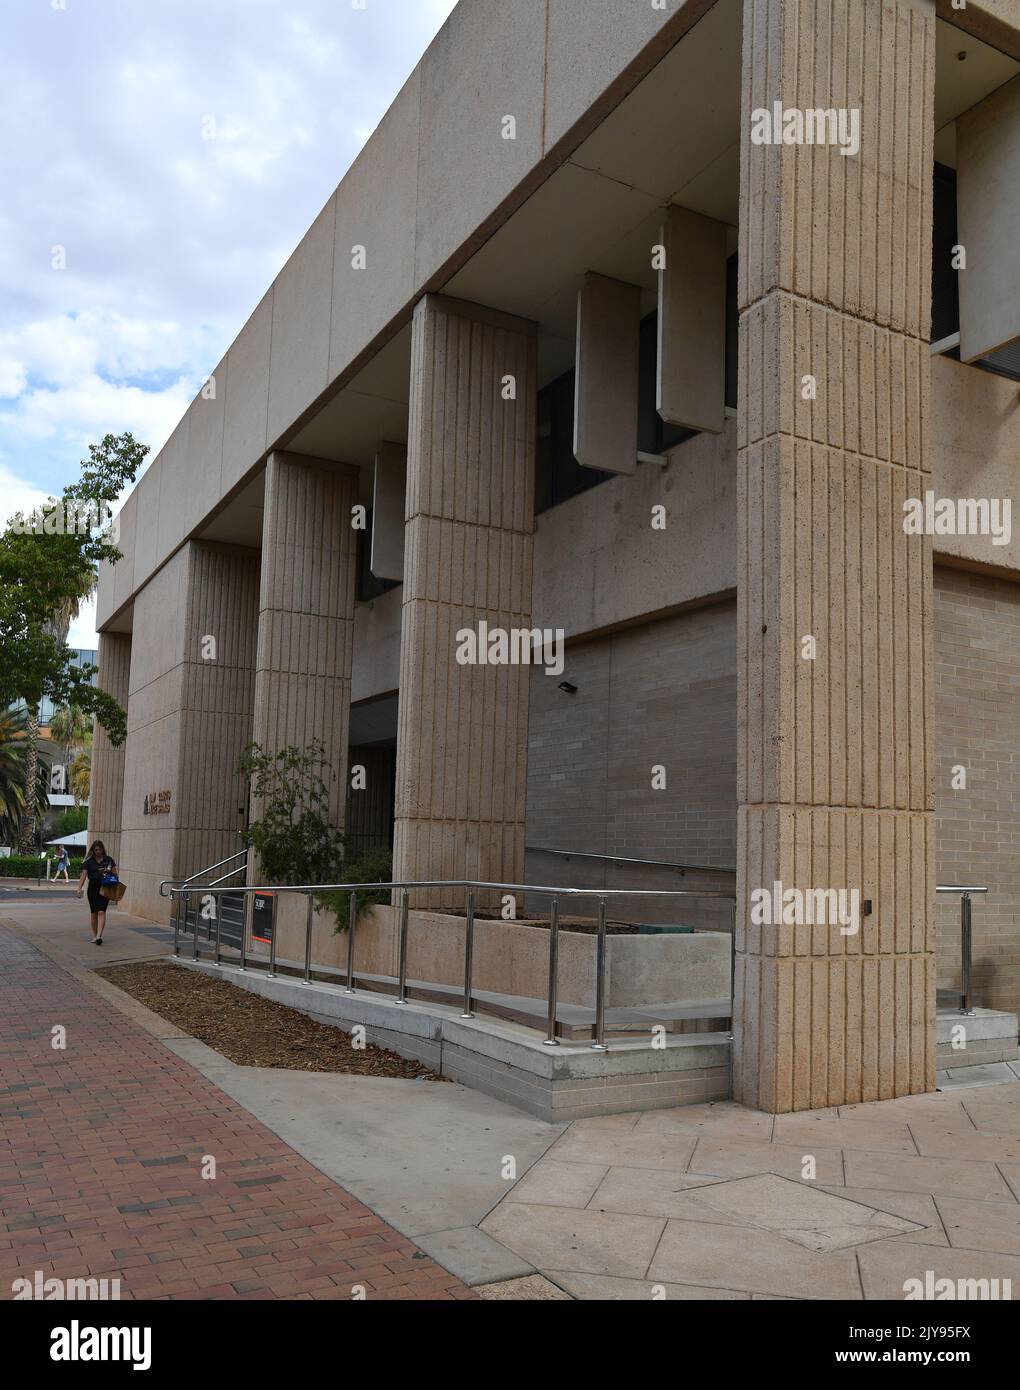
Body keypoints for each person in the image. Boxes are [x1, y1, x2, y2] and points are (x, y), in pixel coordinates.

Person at [76, 840, 117, 945]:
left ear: (102, 849)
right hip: (93, 889)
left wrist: (113, 881)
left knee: (101, 911)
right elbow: (84, 875)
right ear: (93, 851)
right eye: (95, 850)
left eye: (99, 849)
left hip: (105, 888)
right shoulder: (89, 862)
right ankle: (95, 935)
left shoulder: (109, 860)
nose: (97, 852)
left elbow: (115, 874)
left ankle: (99, 936)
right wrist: (79, 888)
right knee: (94, 913)